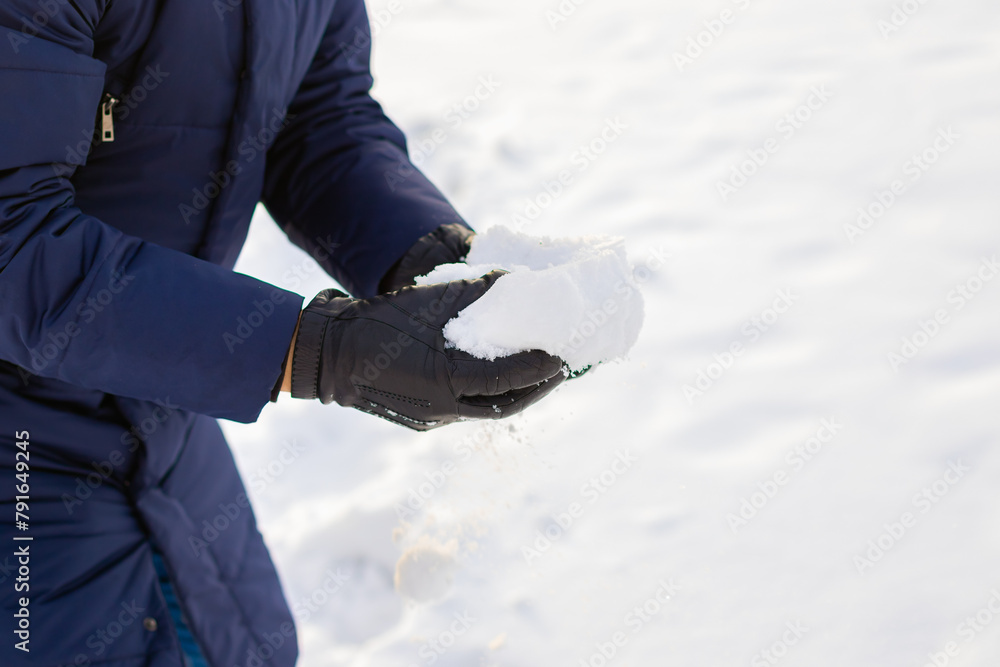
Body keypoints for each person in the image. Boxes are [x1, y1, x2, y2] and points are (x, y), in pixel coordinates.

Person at [0, 0, 565, 664]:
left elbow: (320, 122)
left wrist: (431, 265)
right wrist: (314, 351)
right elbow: (13, 240)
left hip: (162, 415)